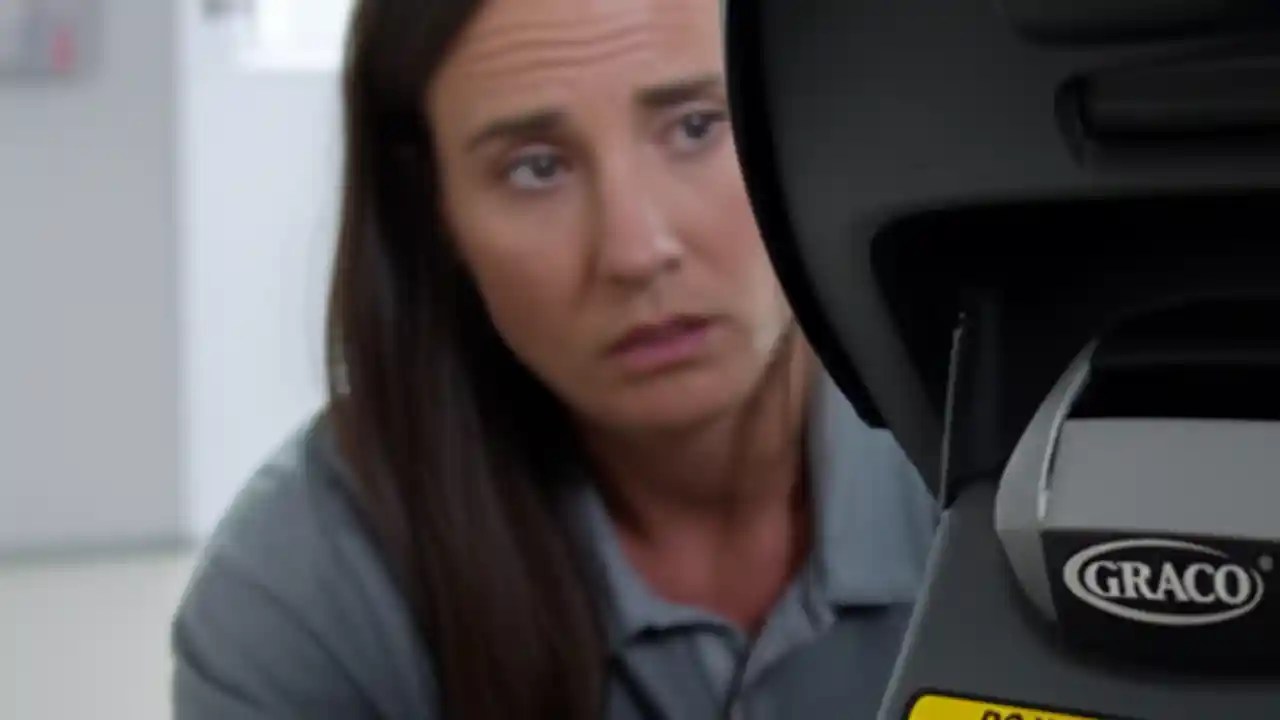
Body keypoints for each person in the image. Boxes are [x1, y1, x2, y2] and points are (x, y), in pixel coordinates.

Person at [169, 0, 938, 717]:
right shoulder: (306, 589)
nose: (636, 251)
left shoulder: (1012, 464)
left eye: (696, 126)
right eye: (537, 168)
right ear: (432, 211)